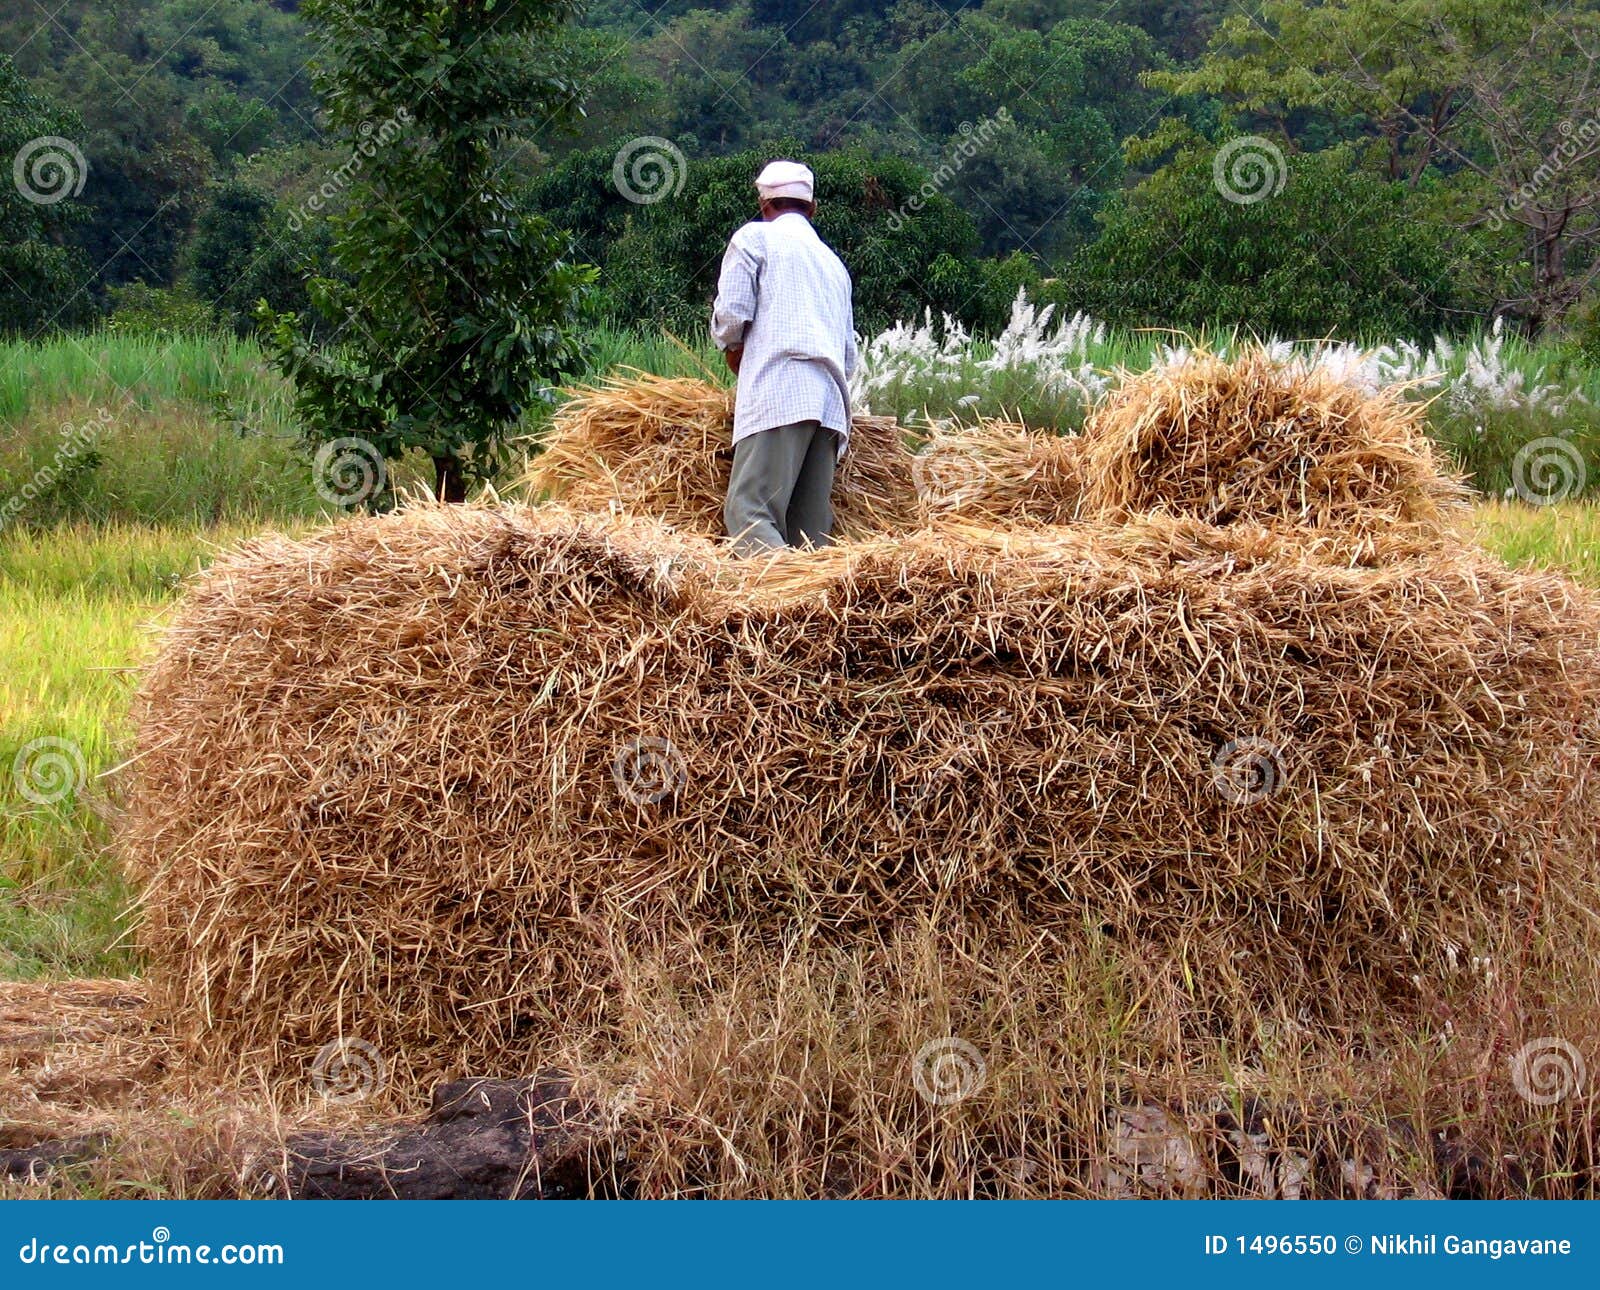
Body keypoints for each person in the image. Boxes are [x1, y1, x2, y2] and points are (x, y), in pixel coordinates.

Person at [710, 159, 857, 556]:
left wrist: (735, 350)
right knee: (809, 535)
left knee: (749, 514)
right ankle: (810, 610)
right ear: (812, 208)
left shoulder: (754, 239)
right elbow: (848, 353)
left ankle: (780, 594)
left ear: (764, 205)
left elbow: (733, 314)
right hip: (830, 405)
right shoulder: (834, 265)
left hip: (780, 389)